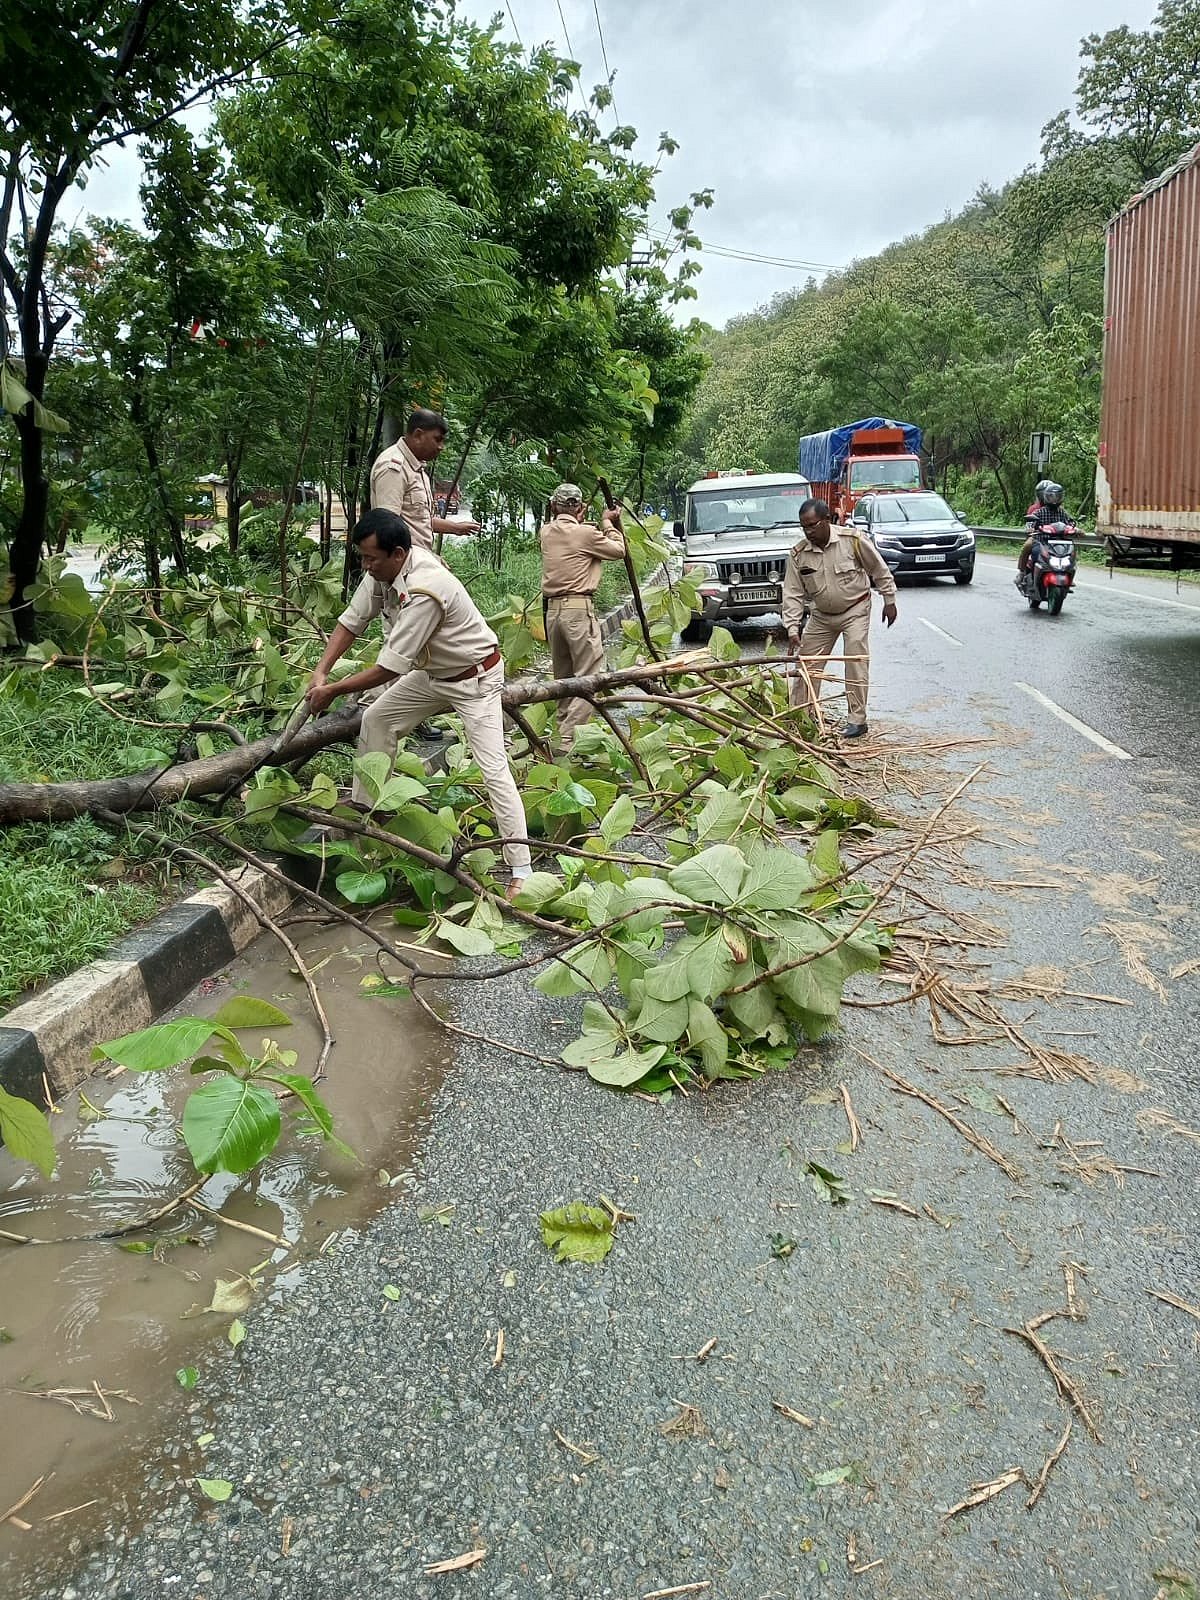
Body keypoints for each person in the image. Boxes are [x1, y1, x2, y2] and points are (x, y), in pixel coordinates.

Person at [305, 509, 532, 901]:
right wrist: (320, 672)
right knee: (376, 719)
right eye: (362, 557)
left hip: (474, 678)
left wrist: (333, 691)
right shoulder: (382, 572)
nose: (366, 566)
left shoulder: (426, 589)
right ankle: (369, 813)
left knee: (493, 768)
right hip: (433, 674)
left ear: (397, 553)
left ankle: (521, 869)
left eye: (371, 558)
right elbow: (352, 622)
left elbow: (387, 669)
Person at [781, 497, 898, 739]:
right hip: (821, 616)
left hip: (855, 609)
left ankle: (857, 720)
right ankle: (802, 716)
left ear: (827, 521)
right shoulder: (798, 554)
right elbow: (792, 593)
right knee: (806, 664)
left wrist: (889, 600)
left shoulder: (852, 541)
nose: (809, 532)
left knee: (855, 658)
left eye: (813, 525)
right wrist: (792, 629)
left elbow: (879, 569)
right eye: (804, 527)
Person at [538, 483, 627, 747]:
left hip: (552, 612)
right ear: (579, 507)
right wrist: (607, 523)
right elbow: (618, 550)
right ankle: (568, 741)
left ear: (554, 506)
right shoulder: (586, 534)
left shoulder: (546, 532)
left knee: (563, 679)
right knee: (588, 677)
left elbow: (571, 533)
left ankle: (560, 736)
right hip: (578, 610)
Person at [370, 409, 481, 552]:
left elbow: (419, 521)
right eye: (437, 439)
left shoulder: (416, 468)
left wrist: (456, 528)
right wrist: (427, 562)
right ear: (418, 435)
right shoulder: (393, 468)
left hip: (417, 562)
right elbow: (388, 529)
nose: (441, 447)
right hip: (403, 566)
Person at [1017, 481, 1075, 576]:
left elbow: (1069, 522)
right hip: (1040, 537)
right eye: (1051, 496)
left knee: (1071, 553)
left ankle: (1067, 572)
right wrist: (1031, 529)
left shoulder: (1061, 511)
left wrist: (1074, 529)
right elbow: (1029, 522)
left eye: (1056, 496)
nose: (1054, 499)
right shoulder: (1036, 509)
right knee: (1028, 545)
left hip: (1057, 540)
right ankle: (1022, 571)